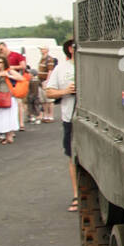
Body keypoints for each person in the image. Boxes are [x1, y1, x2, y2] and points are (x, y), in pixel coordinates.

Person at [47, 39, 77, 209]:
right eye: (74, 45)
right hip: (69, 118)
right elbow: (49, 92)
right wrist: (66, 91)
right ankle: (76, 195)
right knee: (72, 156)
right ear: (69, 49)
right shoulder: (61, 68)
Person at [0, 51, 18, 144]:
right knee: (0, 116)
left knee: (10, 116)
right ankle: (3, 135)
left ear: (4, 62)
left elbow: (20, 78)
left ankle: (9, 135)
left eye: (0, 62)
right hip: (0, 95)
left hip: (9, 95)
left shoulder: (9, 70)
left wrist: (8, 75)